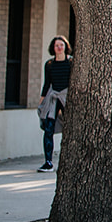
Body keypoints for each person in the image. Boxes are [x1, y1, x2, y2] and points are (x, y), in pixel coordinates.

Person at [37, 36, 72, 172]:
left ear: (65, 47)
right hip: (53, 97)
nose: (59, 48)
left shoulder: (70, 62)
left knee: (70, 129)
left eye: (61, 45)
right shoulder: (49, 64)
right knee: (48, 129)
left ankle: (69, 161)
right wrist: (41, 103)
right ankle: (48, 162)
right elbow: (47, 84)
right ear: (53, 48)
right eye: (56, 45)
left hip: (67, 97)